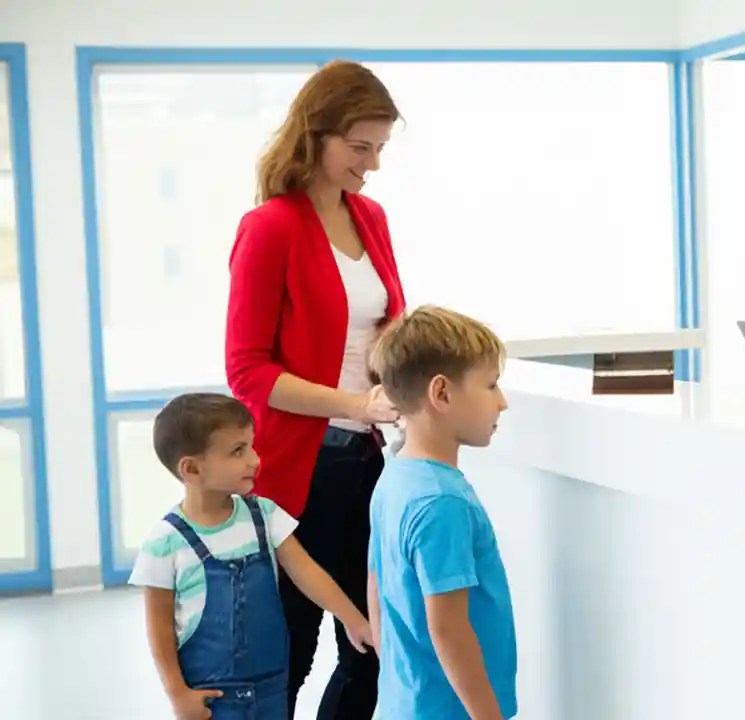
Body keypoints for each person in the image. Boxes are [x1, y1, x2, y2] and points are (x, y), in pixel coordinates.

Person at [224, 59, 406, 719]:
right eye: (361, 147)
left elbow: (380, 334)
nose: (373, 163)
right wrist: (355, 402)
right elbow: (247, 370)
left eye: (380, 148)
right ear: (315, 136)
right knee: (291, 655)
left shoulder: (372, 219)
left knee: (373, 647)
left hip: (366, 460)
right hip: (301, 469)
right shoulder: (271, 226)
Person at [129, 393, 375, 720]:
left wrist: (353, 620)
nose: (255, 460)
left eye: (251, 446)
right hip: (213, 700)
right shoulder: (165, 543)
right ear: (191, 468)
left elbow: (307, 573)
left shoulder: (265, 515)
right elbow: (158, 628)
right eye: (238, 451)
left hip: (273, 690)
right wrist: (178, 694)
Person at [365, 305, 518, 720]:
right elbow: (449, 630)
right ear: (442, 394)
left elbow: (375, 590)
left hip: (405, 702)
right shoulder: (442, 503)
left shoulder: (395, 476)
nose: (501, 403)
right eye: (490, 386)